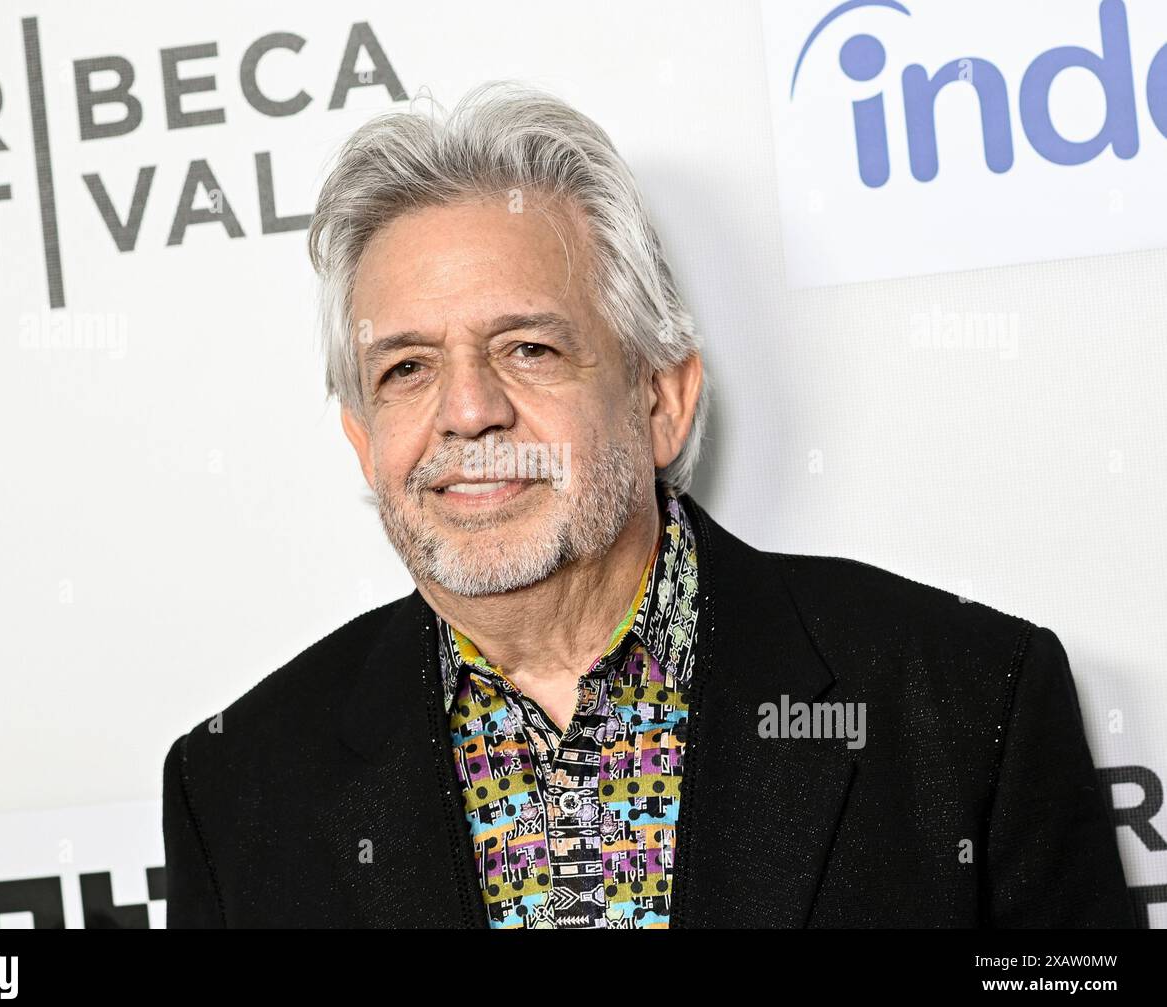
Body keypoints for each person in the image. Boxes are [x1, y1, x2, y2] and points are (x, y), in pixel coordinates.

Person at [162, 81, 1136, 928]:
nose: (467, 410)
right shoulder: (239, 789)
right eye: (406, 367)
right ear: (365, 441)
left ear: (661, 399)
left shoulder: (965, 706)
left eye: (527, 348)